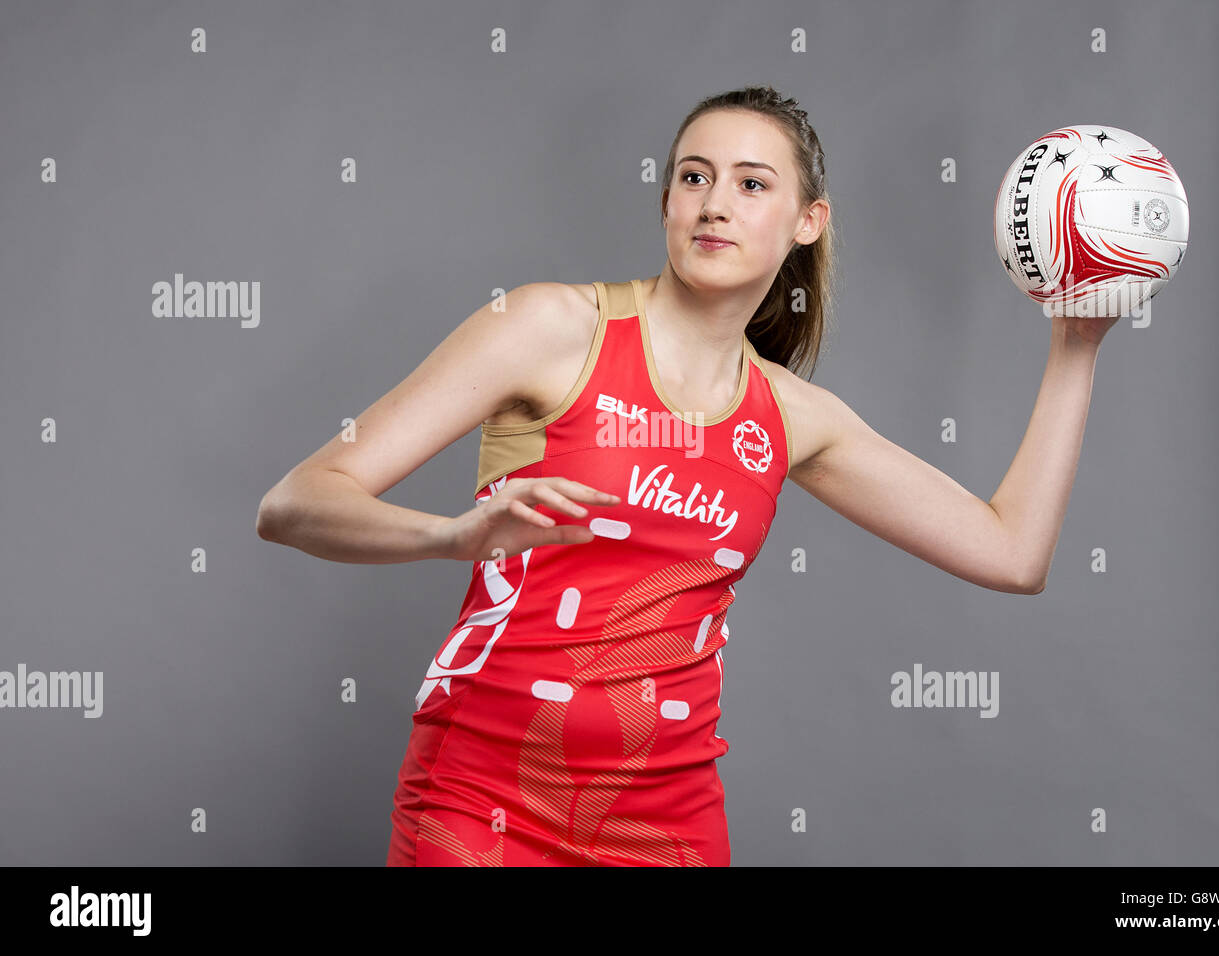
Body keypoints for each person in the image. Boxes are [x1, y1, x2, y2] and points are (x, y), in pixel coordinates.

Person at [255, 85, 1117, 866]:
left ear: (807, 220)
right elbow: (295, 502)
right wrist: (454, 537)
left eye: (751, 184)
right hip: (482, 799)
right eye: (693, 177)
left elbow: (1013, 553)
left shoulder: (794, 417)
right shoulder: (550, 327)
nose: (713, 204)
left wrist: (1075, 342)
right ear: (666, 199)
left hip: (667, 822)